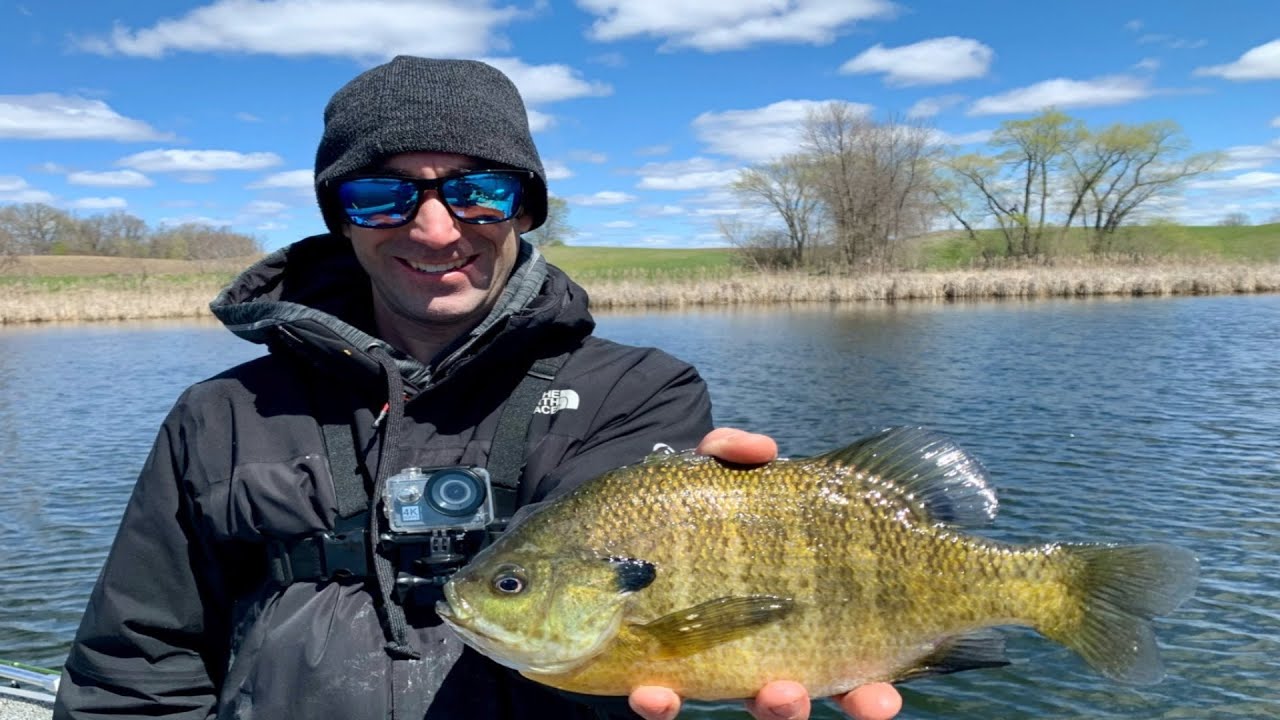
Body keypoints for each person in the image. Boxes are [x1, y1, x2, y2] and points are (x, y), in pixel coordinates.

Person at [52, 56, 901, 720]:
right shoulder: (220, 417)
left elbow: (606, 554)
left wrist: (709, 519)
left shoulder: (640, 391)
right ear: (339, 214)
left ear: (525, 209)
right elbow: (135, 669)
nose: (434, 227)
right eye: (383, 193)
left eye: (479, 189)